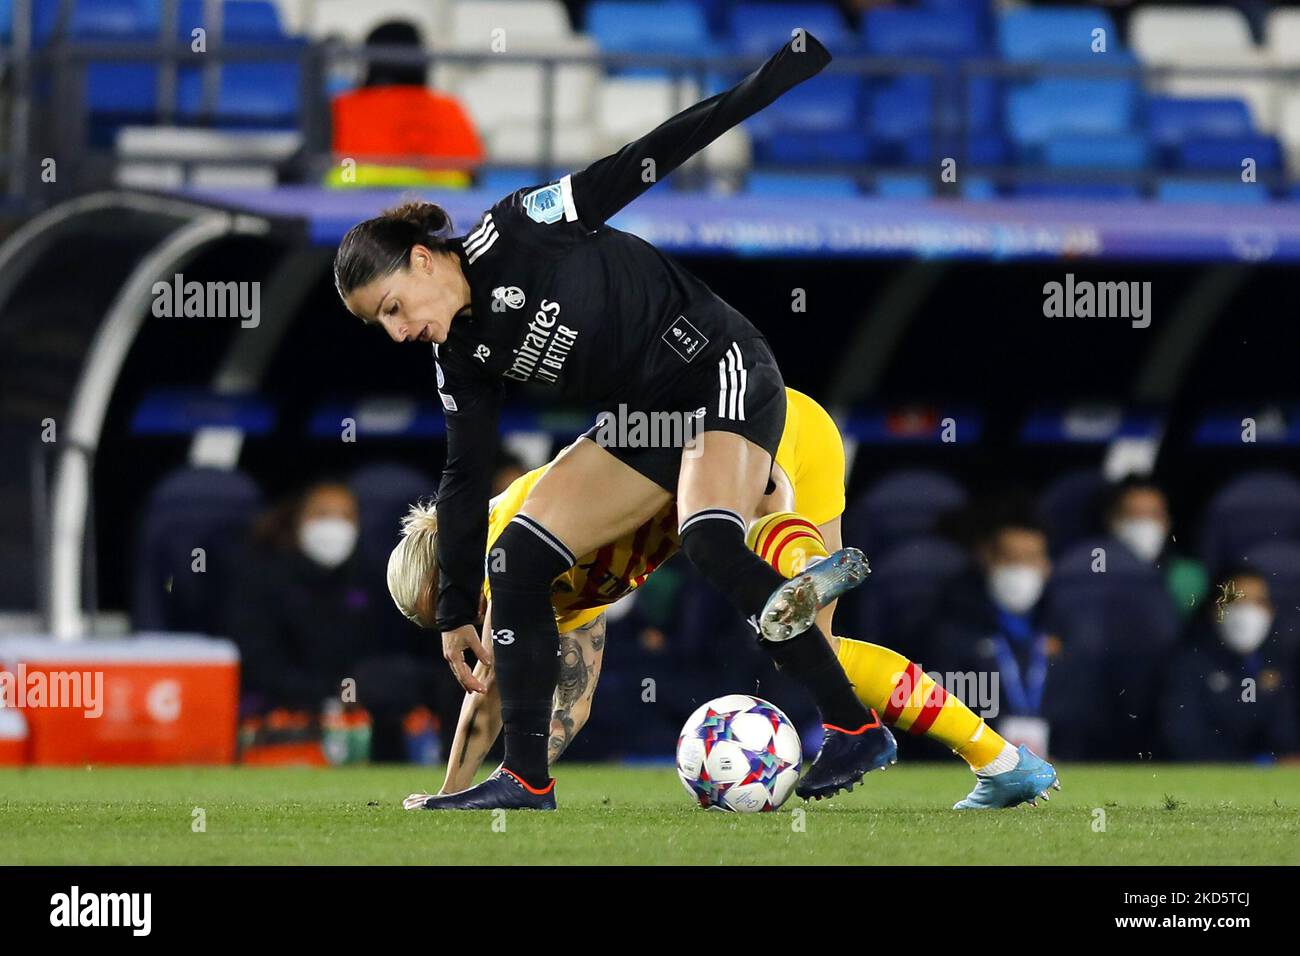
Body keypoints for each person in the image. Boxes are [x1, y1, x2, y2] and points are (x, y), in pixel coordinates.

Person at [335, 33, 890, 809]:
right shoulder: (457, 356)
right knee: (518, 561)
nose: (397, 331)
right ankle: (526, 781)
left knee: (708, 538)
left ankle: (853, 727)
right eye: (378, 325)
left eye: (392, 307)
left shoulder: (518, 229)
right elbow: (465, 477)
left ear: (424, 260)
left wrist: (766, 82)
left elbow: (644, 158)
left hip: (717, 365)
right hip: (644, 417)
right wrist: (456, 613)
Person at [390, 391, 1059, 810]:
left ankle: (793, 575)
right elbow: (551, 698)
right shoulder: (543, 591)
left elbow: (494, 690)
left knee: (712, 524)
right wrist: (460, 792)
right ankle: (1004, 764)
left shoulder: (508, 544)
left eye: (452, 611)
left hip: (752, 431)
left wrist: (466, 789)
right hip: (794, 442)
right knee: (814, 650)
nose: (465, 628)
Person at [1160, 566, 1298, 761]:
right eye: (1236, 600)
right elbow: (1184, 740)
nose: (1248, 612)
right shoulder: (1187, 665)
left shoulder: (1276, 667)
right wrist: (1257, 765)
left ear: (1270, 611)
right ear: (1216, 609)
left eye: (1258, 602)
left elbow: (1286, 740)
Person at [1103, 476, 1206, 617]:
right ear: (1112, 520)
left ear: (1167, 522)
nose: (1144, 525)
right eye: (1134, 515)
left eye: (1153, 515)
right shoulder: (1094, 572)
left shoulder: (1188, 576)